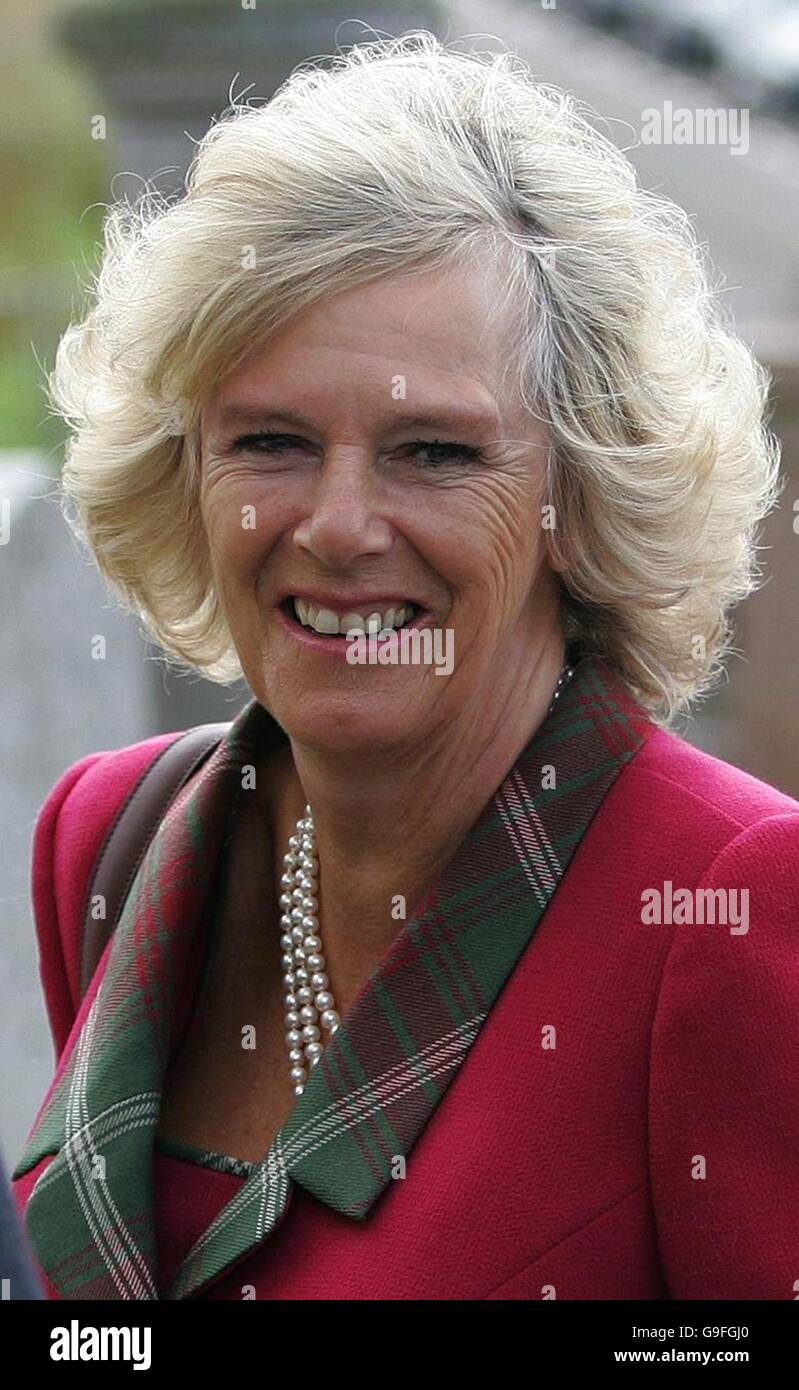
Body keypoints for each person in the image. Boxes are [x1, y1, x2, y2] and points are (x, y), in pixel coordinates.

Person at [11, 34, 799, 1300]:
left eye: (433, 451)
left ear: (581, 494)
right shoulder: (112, 840)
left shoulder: (729, 905)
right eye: (268, 439)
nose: (335, 525)